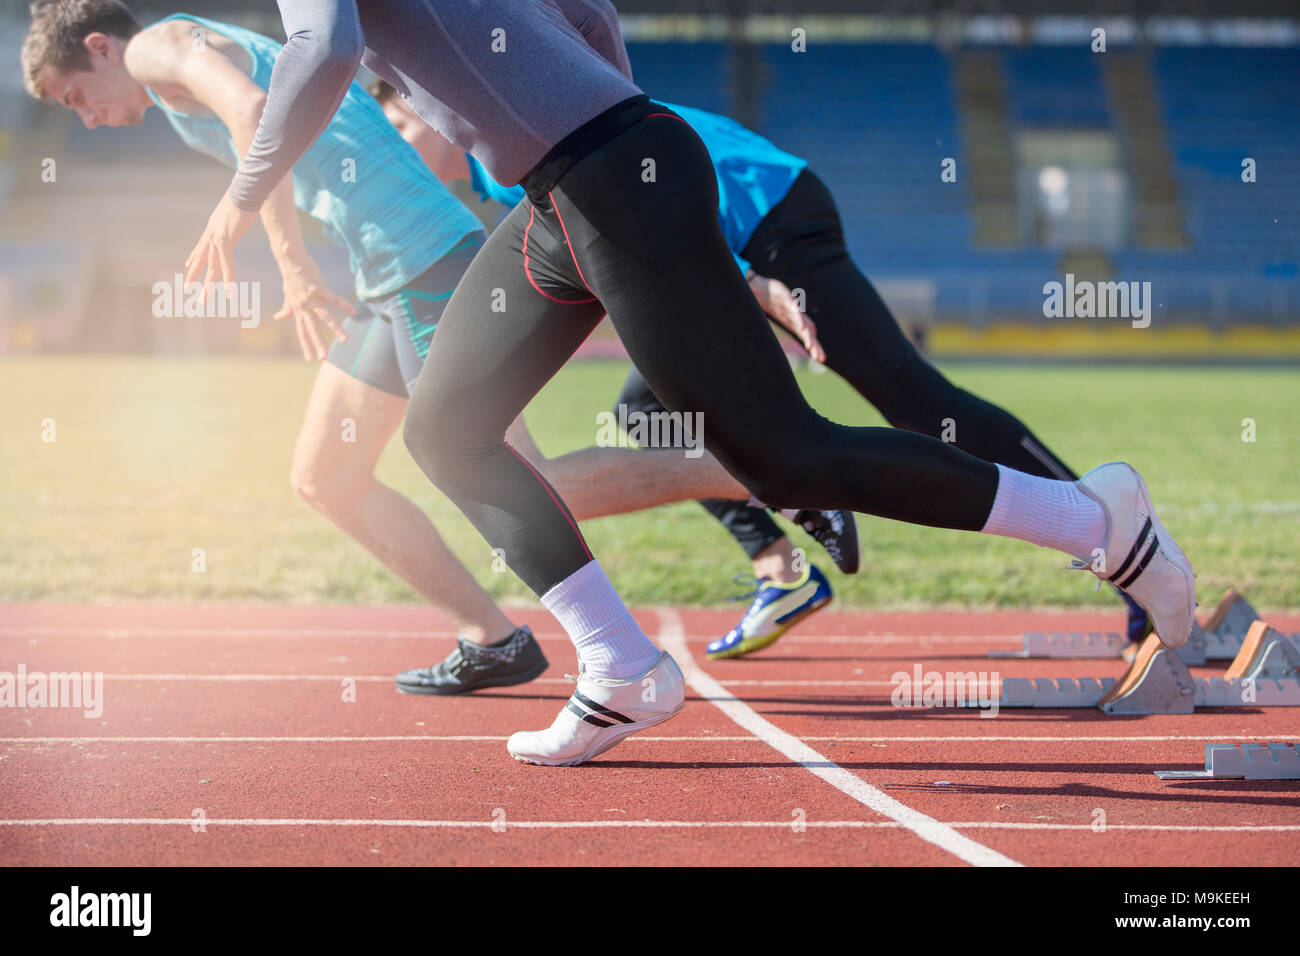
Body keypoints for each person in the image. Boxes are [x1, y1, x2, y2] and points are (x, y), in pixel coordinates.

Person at [181, 0, 1197, 767]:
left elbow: (325, 51)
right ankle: (619, 666)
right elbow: (585, 11)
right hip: (568, 194)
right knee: (447, 429)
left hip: (606, 180)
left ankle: (1094, 517)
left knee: (786, 451)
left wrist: (243, 194)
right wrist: (608, 114)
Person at [20, 0, 852, 696]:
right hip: (391, 273)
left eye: (75, 97)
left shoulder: (163, 45)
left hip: (422, 262)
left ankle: (773, 475)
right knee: (326, 477)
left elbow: (247, 113)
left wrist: (289, 262)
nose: (88, 118)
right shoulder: (177, 64)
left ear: (101, 46)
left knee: (532, 484)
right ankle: (493, 640)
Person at [372, 67, 1153, 663]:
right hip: (715, 252)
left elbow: (652, 187)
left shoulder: (515, 125)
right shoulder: (500, 161)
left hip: (769, 218)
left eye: (404, 127)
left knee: (914, 395)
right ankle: (781, 569)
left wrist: (751, 284)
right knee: (651, 415)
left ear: (439, 107)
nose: (403, 151)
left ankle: (1116, 540)